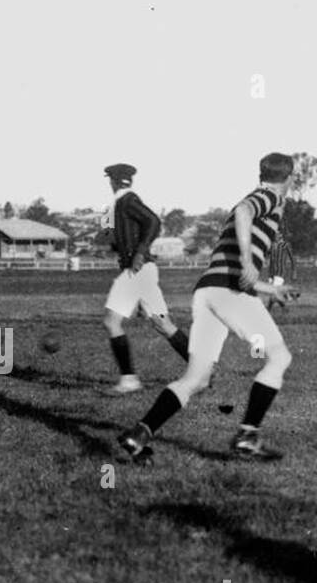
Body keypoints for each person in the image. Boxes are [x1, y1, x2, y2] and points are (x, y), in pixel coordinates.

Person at [120, 152, 299, 463]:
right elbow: (245, 213)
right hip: (229, 292)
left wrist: (271, 288)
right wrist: (247, 262)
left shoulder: (256, 198)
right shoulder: (269, 196)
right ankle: (248, 434)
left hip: (208, 292)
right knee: (279, 357)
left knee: (197, 379)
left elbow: (231, 268)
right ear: (289, 178)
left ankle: (139, 433)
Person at [102, 164, 189, 393]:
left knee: (112, 322)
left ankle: (129, 380)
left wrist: (139, 251)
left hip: (136, 270)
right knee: (163, 323)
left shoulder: (126, 201)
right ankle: (202, 369)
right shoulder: (123, 202)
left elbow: (153, 221)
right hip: (145, 272)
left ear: (112, 181)